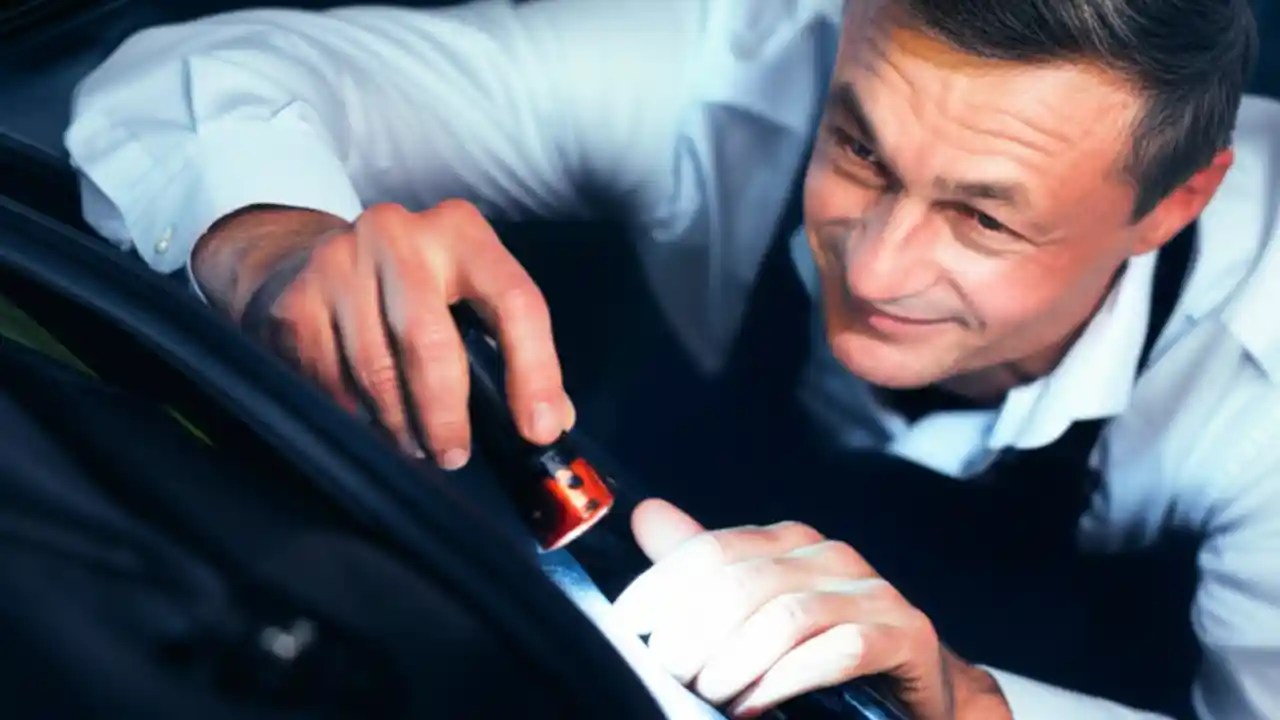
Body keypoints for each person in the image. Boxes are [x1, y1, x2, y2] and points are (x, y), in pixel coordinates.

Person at [62, 0, 1278, 717]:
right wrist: (272, 241)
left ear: (1174, 201)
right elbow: (196, 76)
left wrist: (966, 705)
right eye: (856, 153)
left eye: (984, 218)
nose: (872, 268)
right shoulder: (736, 56)